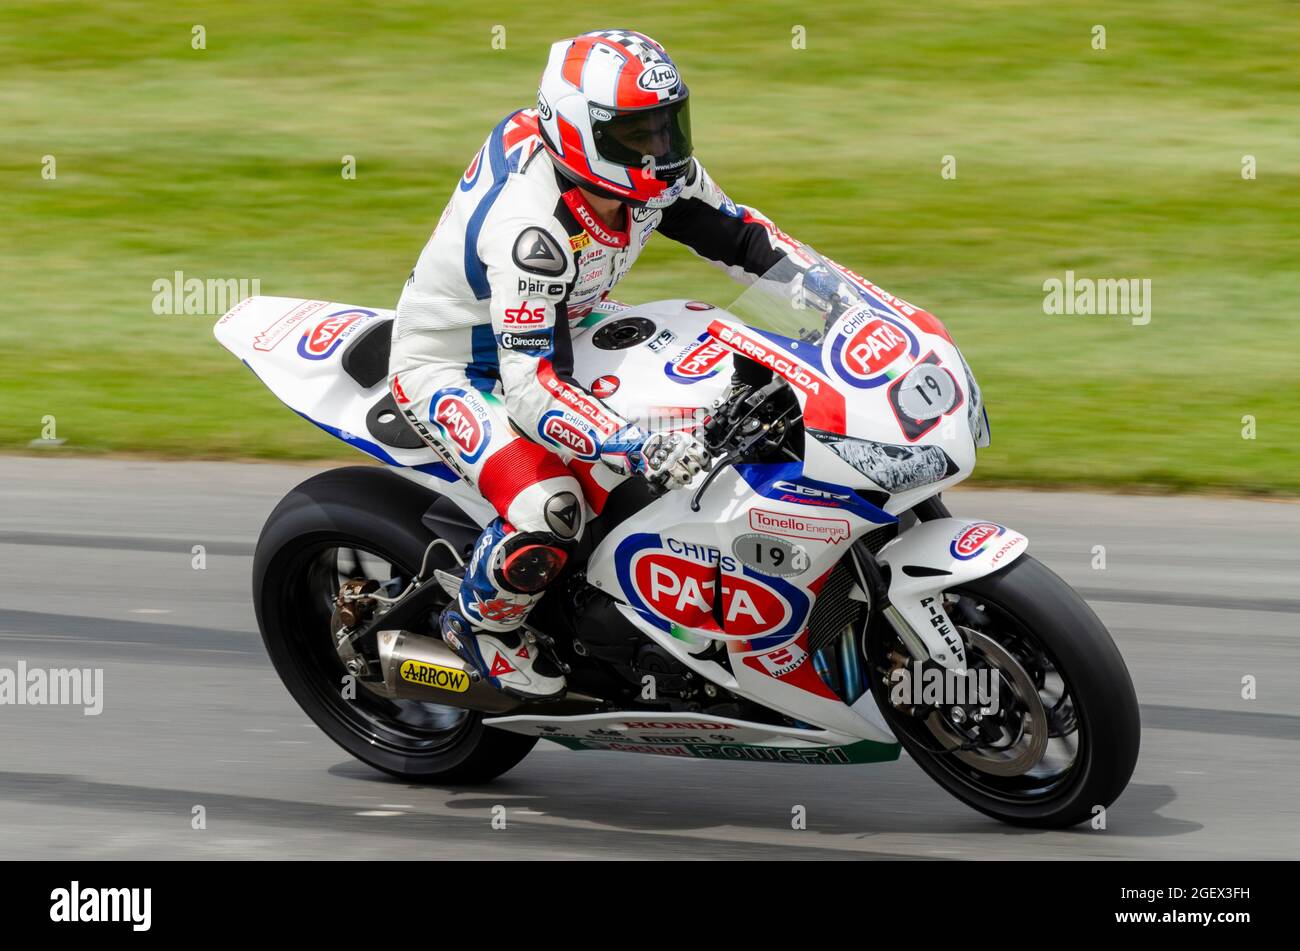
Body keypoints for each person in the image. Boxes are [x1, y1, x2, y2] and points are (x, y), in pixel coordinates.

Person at [390, 29, 815, 700]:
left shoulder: (643, 174)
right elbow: (532, 391)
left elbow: (741, 239)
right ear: (582, 137)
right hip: (460, 367)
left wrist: (840, 299)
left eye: (667, 125)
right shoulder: (530, 230)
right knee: (550, 508)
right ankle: (479, 627)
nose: (661, 149)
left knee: (725, 378)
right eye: (636, 134)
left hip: (570, 319)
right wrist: (635, 442)